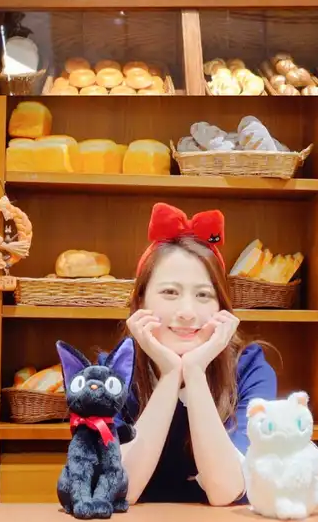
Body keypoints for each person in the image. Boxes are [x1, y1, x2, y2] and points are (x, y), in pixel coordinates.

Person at [112, 202, 277, 506]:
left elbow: (226, 491)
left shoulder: (250, 367)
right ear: (140, 301)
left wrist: (195, 372)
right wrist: (170, 376)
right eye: (170, 293)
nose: (187, 312)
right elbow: (117, 490)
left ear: (222, 307)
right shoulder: (110, 374)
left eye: (203, 295)